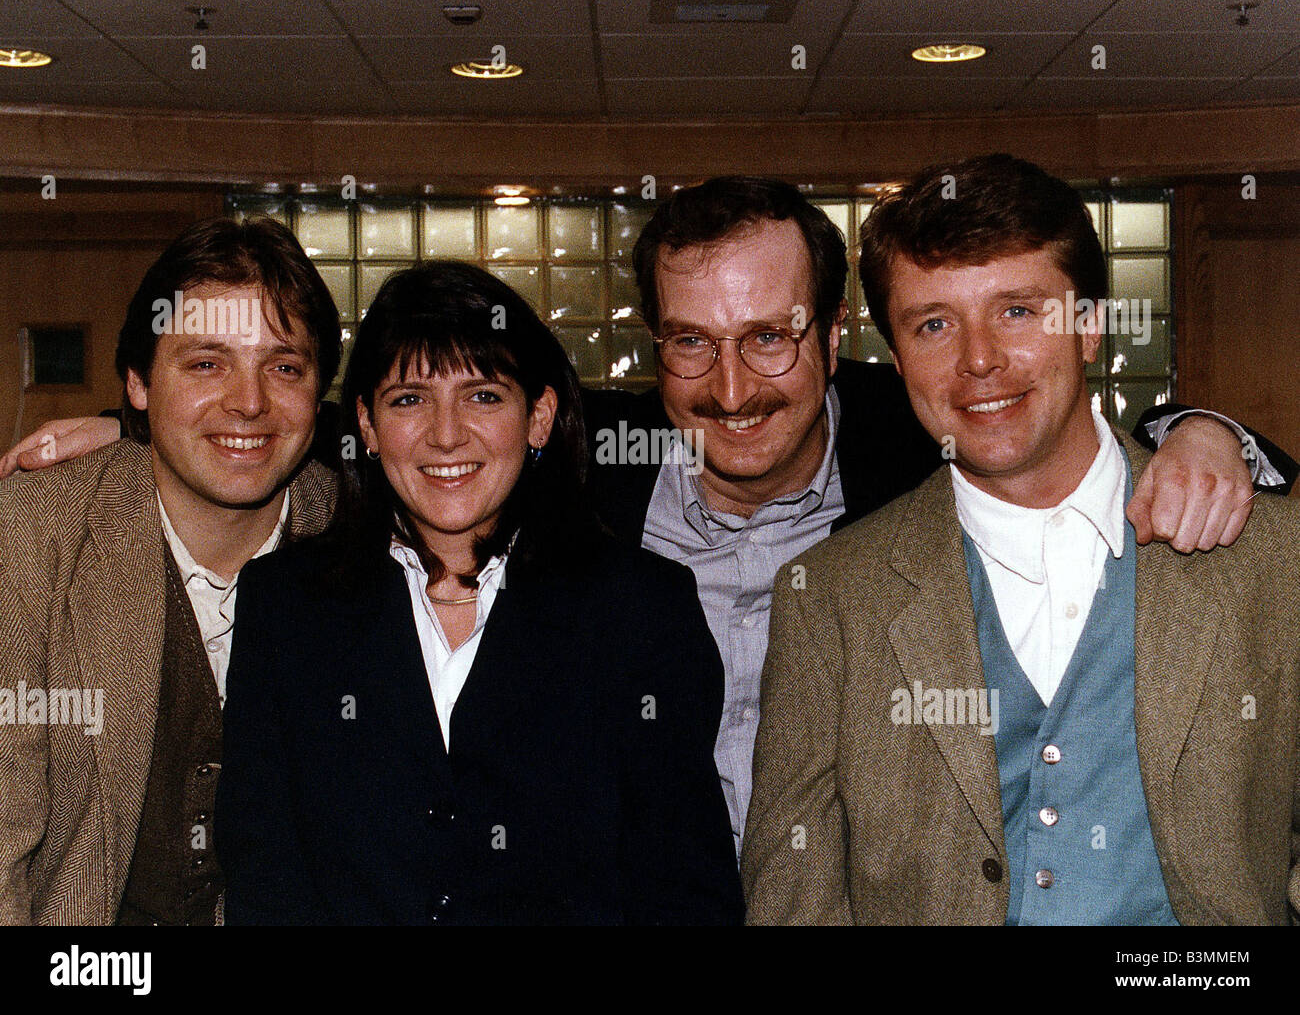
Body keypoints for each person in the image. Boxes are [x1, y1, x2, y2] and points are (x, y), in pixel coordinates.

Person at [9, 180, 1296, 859]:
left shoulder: (915, 439)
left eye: (769, 337)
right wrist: (135, 432)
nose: (732, 388)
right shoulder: (583, 477)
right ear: (650, 355)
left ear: (832, 340)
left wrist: (1211, 433)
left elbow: (1041, 419)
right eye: (691, 343)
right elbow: (367, 444)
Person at [742, 154, 1300, 925]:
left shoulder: (1273, 559)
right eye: (934, 324)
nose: (979, 359)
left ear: (1090, 327)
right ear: (897, 358)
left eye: (1017, 311)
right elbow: (793, 898)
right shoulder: (829, 598)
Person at [215, 261, 742, 925]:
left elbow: (687, 894)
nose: (446, 434)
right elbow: (264, 884)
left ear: (539, 417)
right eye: (409, 399)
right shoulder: (286, 608)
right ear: (367, 425)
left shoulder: (640, 611)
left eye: (484, 396)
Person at [0, 217, 341, 925]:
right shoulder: (32, 532)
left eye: (284, 367)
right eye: (206, 364)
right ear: (138, 382)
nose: (249, 401)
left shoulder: (368, 539)